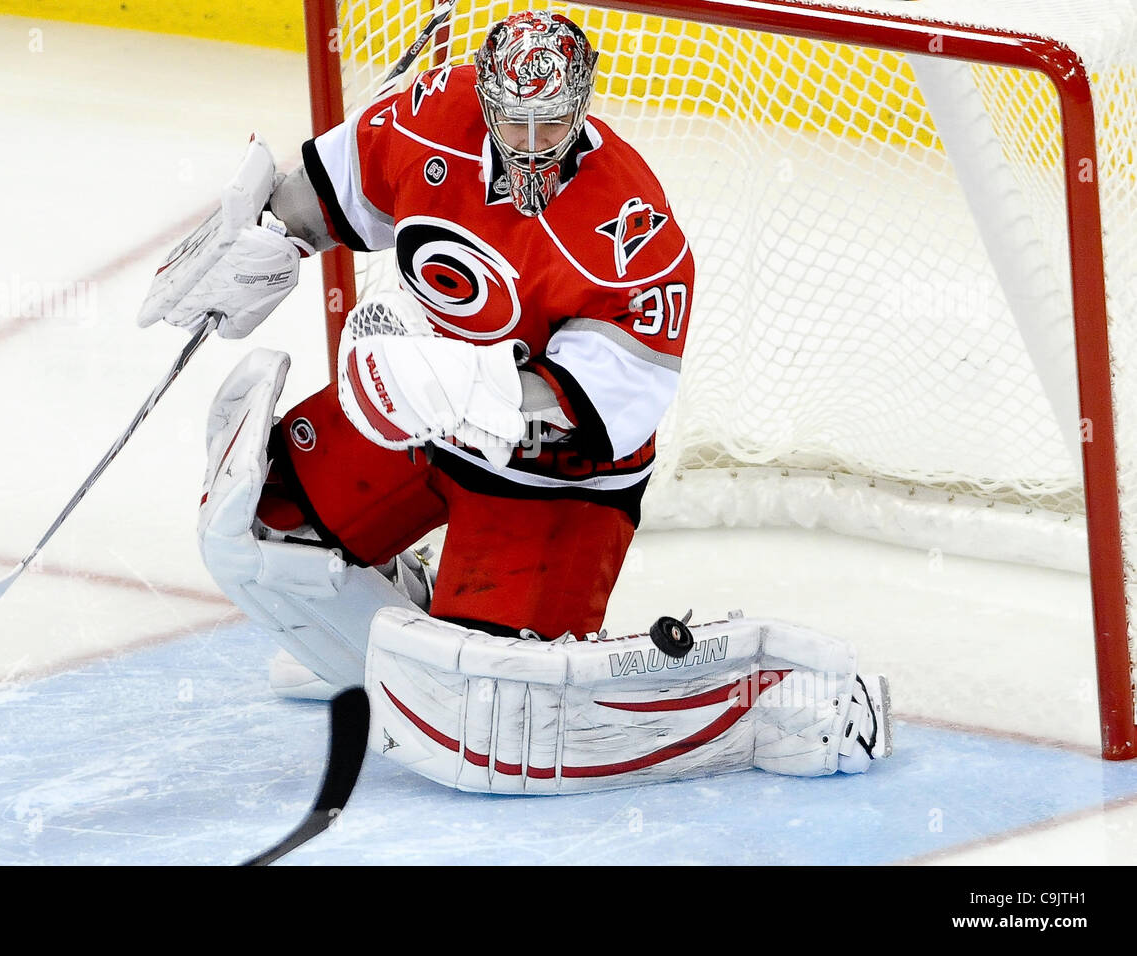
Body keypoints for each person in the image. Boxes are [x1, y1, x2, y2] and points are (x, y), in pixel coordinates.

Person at [138, 11, 891, 793]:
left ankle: (767, 702)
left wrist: (462, 388)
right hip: (421, 426)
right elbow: (326, 194)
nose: (532, 141)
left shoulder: (631, 229)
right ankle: (409, 601)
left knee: (491, 712)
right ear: (486, 98)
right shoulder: (433, 115)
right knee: (264, 521)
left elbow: (593, 411)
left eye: (553, 120)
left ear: (586, 102)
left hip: (555, 480)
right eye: (514, 119)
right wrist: (269, 237)